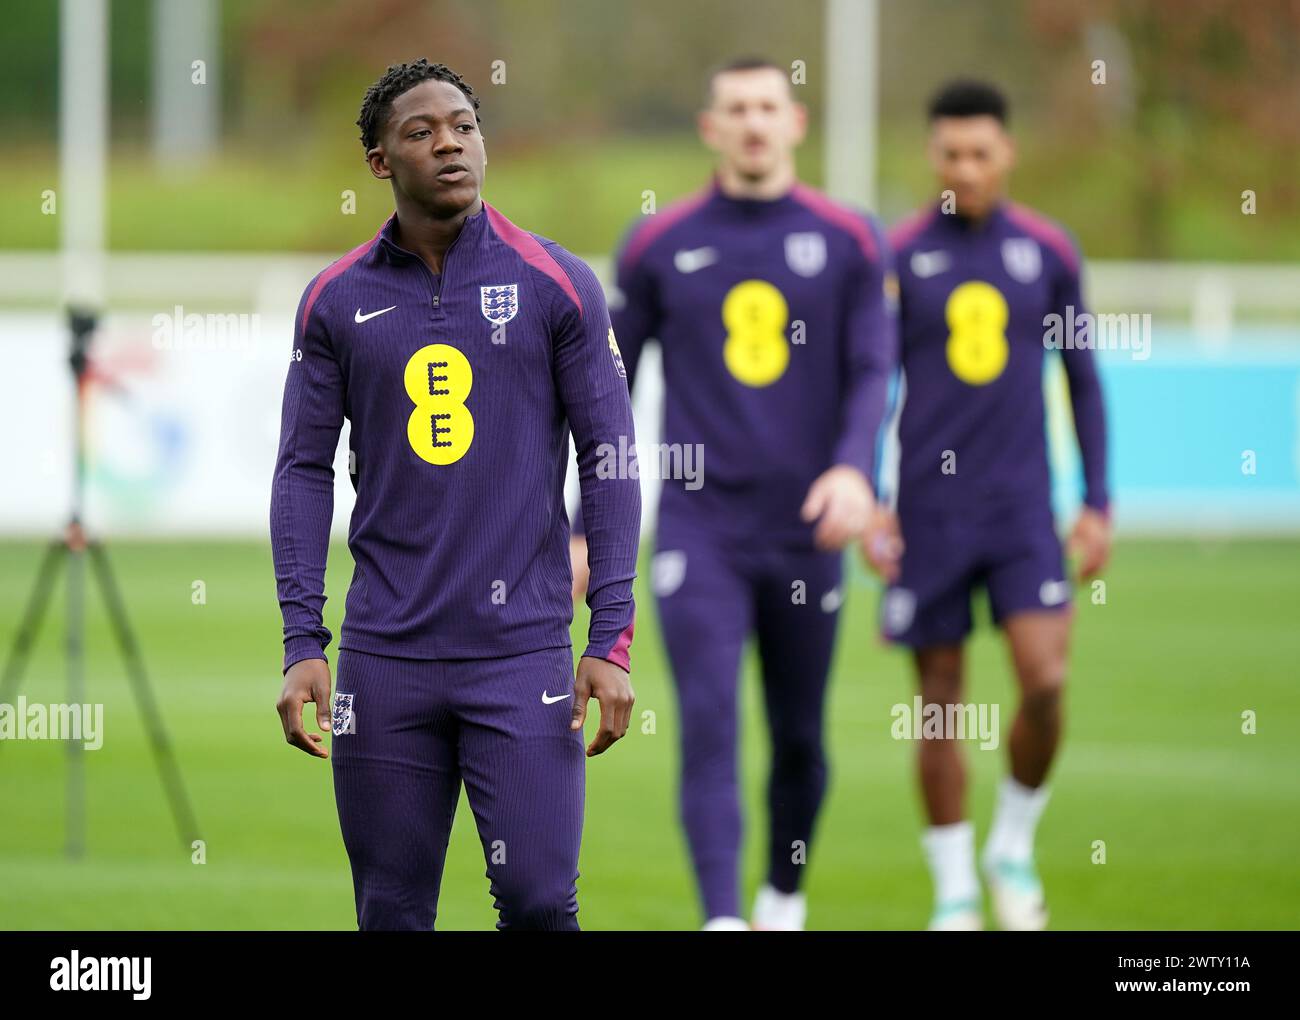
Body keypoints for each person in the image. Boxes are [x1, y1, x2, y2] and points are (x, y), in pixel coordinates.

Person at [270, 59, 640, 931]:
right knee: (392, 913)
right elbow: (302, 470)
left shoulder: (559, 282)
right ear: (378, 162)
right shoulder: (335, 300)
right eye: (421, 131)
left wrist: (612, 638)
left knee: (541, 900)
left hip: (521, 655)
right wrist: (301, 638)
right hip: (384, 660)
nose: (450, 144)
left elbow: (611, 458)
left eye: (465, 126)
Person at [572, 57, 895, 930]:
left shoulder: (851, 238)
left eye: (767, 107)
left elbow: (873, 368)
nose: (753, 123)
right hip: (699, 529)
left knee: (798, 736)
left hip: (806, 532)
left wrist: (857, 469)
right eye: (735, 109)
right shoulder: (659, 242)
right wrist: (579, 527)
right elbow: (605, 390)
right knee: (709, 722)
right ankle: (722, 920)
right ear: (710, 129)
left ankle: (780, 901)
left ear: (795, 120)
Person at [866, 79, 1110, 931]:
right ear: (932, 157)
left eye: (980, 153)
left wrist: (1099, 500)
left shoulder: (1049, 251)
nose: (964, 168)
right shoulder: (897, 256)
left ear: (1006, 153)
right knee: (940, 704)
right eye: (950, 154)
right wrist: (871, 495)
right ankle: (955, 894)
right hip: (929, 515)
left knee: (1045, 678)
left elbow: (1083, 378)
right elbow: (870, 384)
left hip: (1020, 513)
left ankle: (1010, 844)